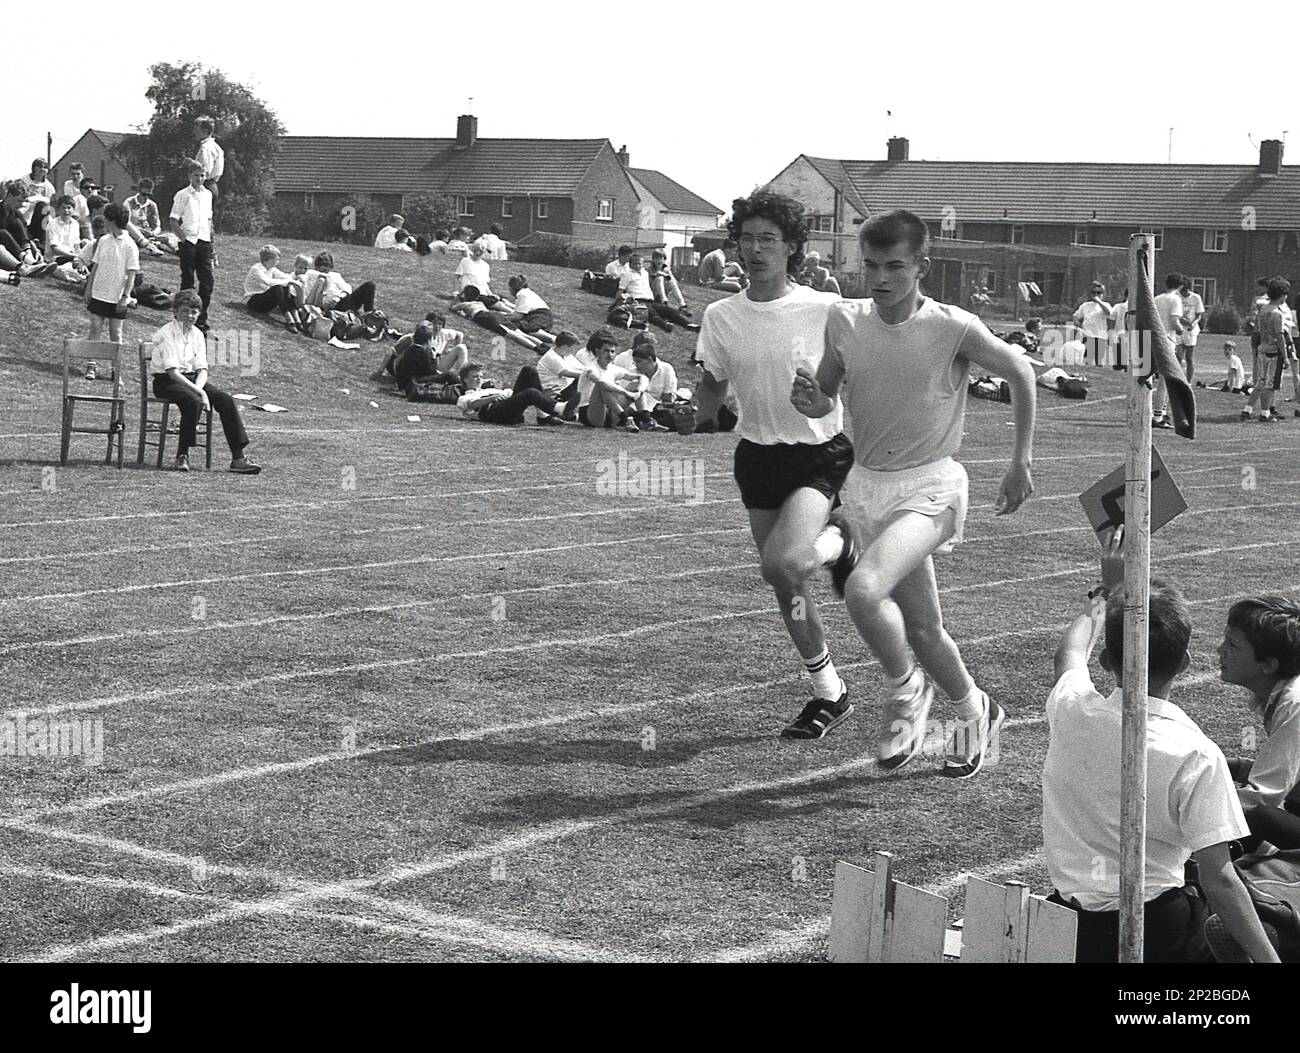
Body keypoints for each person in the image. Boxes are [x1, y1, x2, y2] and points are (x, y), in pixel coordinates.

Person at [792, 208, 1035, 774]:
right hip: (868, 488)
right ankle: (978, 712)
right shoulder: (845, 320)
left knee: (863, 590)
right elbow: (828, 395)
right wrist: (814, 403)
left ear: (922, 266)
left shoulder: (954, 325)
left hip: (933, 486)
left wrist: (1019, 461)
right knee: (925, 630)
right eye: (870, 265)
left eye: (894, 267)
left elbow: (1021, 372)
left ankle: (906, 694)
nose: (879, 278)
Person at [1043, 529, 1280, 963]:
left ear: (1107, 660)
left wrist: (1105, 590)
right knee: (1268, 926)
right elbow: (1220, 880)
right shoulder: (1195, 753)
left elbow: (1070, 651)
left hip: (1068, 924)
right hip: (1155, 926)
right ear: (1186, 663)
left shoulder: (1071, 710)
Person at [695, 188, 854, 739]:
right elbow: (712, 384)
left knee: (782, 564)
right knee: (787, 587)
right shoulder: (720, 315)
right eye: (747, 238)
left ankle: (840, 543)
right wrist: (694, 412)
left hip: (819, 455)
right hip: (757, 455)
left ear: (793, 249)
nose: (756, 249)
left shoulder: (826, 310)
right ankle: (829, 692)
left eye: (769, 240)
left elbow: (849, 381)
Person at [1217, 596, 1300, 850]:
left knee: (1260, 816)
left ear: (1267, 664)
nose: (1220, 650)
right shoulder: (1285, 693)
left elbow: (1264, 795)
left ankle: (1209, 877)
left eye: (1232, 645)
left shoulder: (1294, 705)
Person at [151, 289, 262, 474]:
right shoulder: (166, 333)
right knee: (192, 400)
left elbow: (202, 369)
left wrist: (199, 388)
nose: (190, 315)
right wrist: (200, 393)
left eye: (194, 311)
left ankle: (238, 457)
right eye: (185, 310)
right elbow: (172, 372)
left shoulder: (197, 334)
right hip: (167, 381)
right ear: (175, 311)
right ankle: (182, 455)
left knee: (225, 399)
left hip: (192, 380)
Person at [84, 203, 138, 342]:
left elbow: (131, 274)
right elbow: (95, 267)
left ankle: (116, 364)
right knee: (95, 328)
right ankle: (91, 362)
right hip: (98, 293)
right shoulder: (103, 240)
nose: (104, 222)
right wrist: (89, 290)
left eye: (106, 218)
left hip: (116, 297)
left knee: (116, 334)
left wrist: (125, 297)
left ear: (112, 221)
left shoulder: (130, 245)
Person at [170, 162, 215, 331]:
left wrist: (211, 244)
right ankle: (182, 317)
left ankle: (201, 319)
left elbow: (209, 220)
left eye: (202, 175)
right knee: (188, 281)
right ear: (190, 176)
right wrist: (184, 239)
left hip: (204, 241)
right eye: (196, 175)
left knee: (207, 282)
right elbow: (173, 220)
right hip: (188, 241)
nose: (199, 179)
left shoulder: (208, 195)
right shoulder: (183, 194)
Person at [457, 362, 566, 426]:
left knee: (529, 370)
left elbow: (510, 395)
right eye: (475, 377)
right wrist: (493, 397)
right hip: (492, 414)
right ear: (466, 379)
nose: (479, 379)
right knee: (530, 393)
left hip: (506, 406)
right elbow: (472, 405)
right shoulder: (464, 397)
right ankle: (559, 408)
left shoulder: (488, 389)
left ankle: (543, 415)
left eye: (480, 376)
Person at [575, 328, 642, 431]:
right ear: (598, 351)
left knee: (635, 383)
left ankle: (646, 419)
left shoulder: (614, 368)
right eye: (606, 351)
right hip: (590, 411)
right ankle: (625, 418)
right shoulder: (590, 368)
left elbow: (642, 377)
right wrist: (626, 393)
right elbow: (601, 383)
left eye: (612, 351)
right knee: (602, 385)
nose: (610, 354)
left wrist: (639, 391)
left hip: (611, 411)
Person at [1245, 276, 1291, 423]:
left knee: (1260, 382)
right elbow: (1279, 336)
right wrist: (1285, 356)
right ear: (1282, 295)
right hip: (1272, 352)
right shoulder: (1277, 313)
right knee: (1270, 385)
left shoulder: (1263, 309)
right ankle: (1265, 413)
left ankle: (1248, 409)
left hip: (1262, 348)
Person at [619, 253, 697, 331]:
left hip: (651, 300)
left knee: (670, 311)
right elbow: (620, 291)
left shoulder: (645, 273)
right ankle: (664, 325)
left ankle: (688, 324)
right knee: (652, 314)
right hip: (638, 301)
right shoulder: (627, 275)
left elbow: (671, 280)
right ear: (630, 265)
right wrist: (615, 304)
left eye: (640, 264)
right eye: (635, 264)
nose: (638, 266)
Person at [615, 336, 678, 430]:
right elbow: (624, 398)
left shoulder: (666, 369)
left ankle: (649, 422)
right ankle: (646, 421)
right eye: (635, 362)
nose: (636, 365)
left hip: (656, 408)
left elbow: (667, 397)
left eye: (639, 362)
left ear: (649, 360)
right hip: (634, 408)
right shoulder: (632, 372)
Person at [1151, 273, 1188, 428]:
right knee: (1165, 382)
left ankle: (1161, 412)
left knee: (1152, 379)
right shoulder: (1176, 299)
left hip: (1153, 339)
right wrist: (1181, 330)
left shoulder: (1157, 298)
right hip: (1167, 341)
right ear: (1180, 286)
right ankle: (1158, 416)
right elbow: (1174, 321)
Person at [244, 244, 307, 331]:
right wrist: (290, 282)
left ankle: (297, 320)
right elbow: (269, 282)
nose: (278, 262)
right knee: (278, 288)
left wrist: (297, 277)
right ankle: (289, 319)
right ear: (269, 259)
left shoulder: (272, 269)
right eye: (276, 259)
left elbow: (285, 276)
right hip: (255, 302)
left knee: (285, 286)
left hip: (266, 302)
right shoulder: (256, 269)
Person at [305, 251, 377, 314]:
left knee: (370, 285)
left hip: (342, 301)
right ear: (317, 266)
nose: (326, 268)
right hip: (328, 307)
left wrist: (338, 298)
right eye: (324, 265)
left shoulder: (335, 275)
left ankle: (369, 314)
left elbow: (347, 288)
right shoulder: (311, 275)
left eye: (329, 266)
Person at [533, 330, 585, 417]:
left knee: (585, 380)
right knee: (583, 380)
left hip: (565, 387)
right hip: (554, 391)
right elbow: (566, 372)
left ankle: (574, 409)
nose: (573, 351)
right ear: (565, 346)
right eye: (572, 348)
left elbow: (582, 368)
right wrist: (588, 375)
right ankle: (565, 409)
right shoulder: (552, 357)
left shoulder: (567, 356)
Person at [1071, 282, 1112, 367]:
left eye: (1099, 293)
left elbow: (1108, 312)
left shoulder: (1105, 305)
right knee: (1087, 360)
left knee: (1099, 361)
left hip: (1100, 336)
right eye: (1094, 292)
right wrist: (1079, 325)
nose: (1096, 294)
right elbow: (1075, 316)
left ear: (1103, 294)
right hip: (1087, 335)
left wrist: (1099, 301)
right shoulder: (1085, 305)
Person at [1177, 277, 1204, 383]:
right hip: (1179, 329)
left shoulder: (1196, 298)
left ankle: (1188, 381)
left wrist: (1193, 322)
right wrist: (1183, 321)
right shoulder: (1176, 297)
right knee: (1178, 356)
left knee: (1189, 357)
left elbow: (1199, 314)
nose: (1183, 292)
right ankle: (1178, 378)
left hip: (1191, 331)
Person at [193, 116, 225, 199]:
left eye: (197, 129)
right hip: (211, 186)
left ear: (205, 131)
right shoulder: (215, 146)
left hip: (205, 187)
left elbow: (204, 171)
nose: (194, 132)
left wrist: (190, 164)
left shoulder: (206, 148)